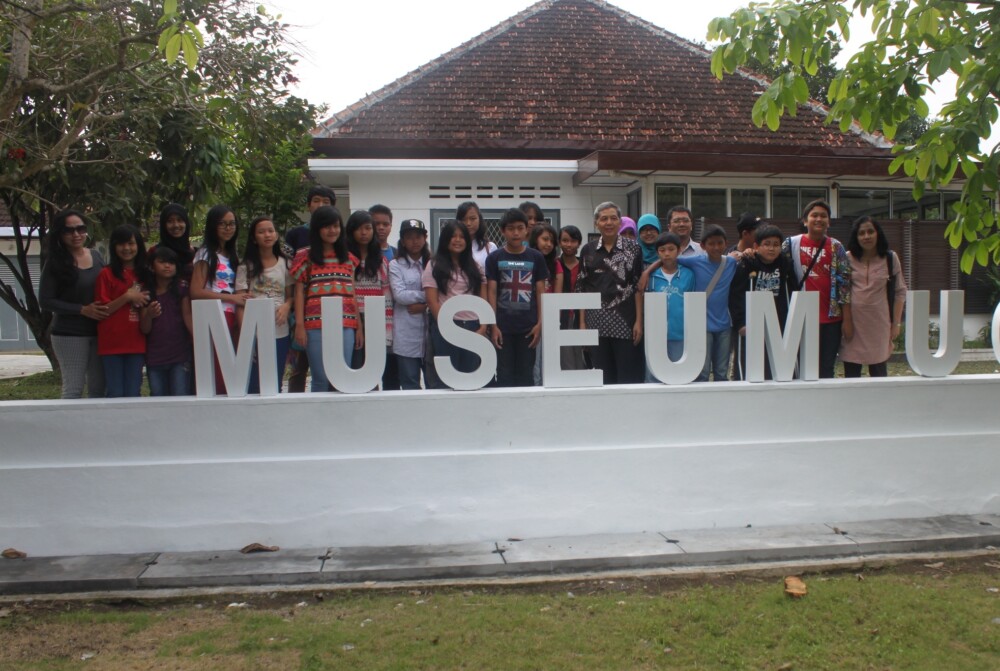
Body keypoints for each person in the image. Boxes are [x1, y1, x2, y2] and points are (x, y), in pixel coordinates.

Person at [39, 209, 108, 399]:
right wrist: (82, 310)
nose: (76, 234)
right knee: (73, 390)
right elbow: (45, 300)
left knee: (99, 390)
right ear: (60, 234)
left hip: (100, 332)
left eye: (80, 228)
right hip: (69, 334)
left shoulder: (97, 256)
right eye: (69, 230)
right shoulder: (54, 262)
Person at [290, 206, 360, 393]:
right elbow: (299, 292)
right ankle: (318, 413)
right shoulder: (305, 257)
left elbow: (351, 292)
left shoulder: (348, 258)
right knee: (320, 379)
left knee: (342, 378)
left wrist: (358, 327)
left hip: (346, 323)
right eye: (327, 226)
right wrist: (299, 326)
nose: (332, 231)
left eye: (336, 226)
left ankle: (339, 413)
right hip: (315, 325)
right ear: (317, 229)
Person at [782, 199, 852, 379]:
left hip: (830, 319)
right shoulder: (790, 244)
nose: (819, 219)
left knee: (826, 368)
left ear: (829, 222)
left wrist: (847, 319)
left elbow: (844, 284)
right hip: (800, 317)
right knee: (799, 368)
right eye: (814, 215)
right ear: (805, 220)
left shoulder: (836, 247)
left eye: (823, 216)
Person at [576, 201, 644, 384]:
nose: (609, 223)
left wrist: (639, 321)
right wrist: (582, 324)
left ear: (620, 222)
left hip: (626, 321)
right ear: (596, 223)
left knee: (628, 378)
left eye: (613, 218)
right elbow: (582, 287)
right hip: (596, 323)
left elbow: (638, 286)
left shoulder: (633, 248)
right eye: (604, 219)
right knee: (602, 379)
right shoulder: (588, 250)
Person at [486, 208, 548, 387]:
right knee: (503, 374)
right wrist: (493, 325)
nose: (516, 233)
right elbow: (491, 292)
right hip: (502, 328)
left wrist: (540, 324)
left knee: (526, 374)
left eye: (520, 228)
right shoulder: (494, 258)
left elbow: (540, 292)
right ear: (502, 231)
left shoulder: (536, 257)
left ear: (527, 230)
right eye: (511, 228)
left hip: (528, 328)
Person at [841, 216, 907, 377]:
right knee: (851, 376)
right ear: (856, 237)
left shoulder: (890, 258)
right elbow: (843, 291)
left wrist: (896, 323)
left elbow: (900, 291)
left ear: (878, 233)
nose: (866, 236)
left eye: (870, 231)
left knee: (879, 375)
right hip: (853, 325)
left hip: (879, 325)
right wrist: (846, 322)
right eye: (861, 233)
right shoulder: (847, 258)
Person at [728, 224, 796, 380]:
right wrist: (740, 323)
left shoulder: (785, 265)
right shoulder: (746, 264)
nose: (771, 249)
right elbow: (736, 295)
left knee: (774, 366)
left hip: (777, 321)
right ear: (756, 246)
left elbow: (793, 290)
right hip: (751, 323)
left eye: (776, 245)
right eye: (767, 244)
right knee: (747, 364)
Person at [423, 222, 487, 384]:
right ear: (445, 239)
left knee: (470, 378)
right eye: (453, 236)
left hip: (472, 326)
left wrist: (484, 326)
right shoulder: (434, 265)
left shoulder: (476, 267)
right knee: (446, 379)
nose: (457, 240)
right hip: (446, 326)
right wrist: (446, 325)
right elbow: (432, 301)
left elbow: (482, 297)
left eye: (462, 237)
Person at [190, 205, 245, 394]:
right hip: (216, 317)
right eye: (222, 224)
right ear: (213, 226)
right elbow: (195, 291)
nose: (228, 228)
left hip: (234, 317)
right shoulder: (206, 254)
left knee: (233, 375)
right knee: (218, 374)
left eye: (232, 224)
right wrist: (232, 298)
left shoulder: (232, 255)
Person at [286, 186, 336, 393]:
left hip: (332, 312)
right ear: (308, 205)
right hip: (300, 310)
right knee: (299, 366)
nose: (321, 205)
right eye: (316, 200)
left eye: (326, 202)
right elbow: (288, 274)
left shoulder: (337, 236)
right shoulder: (296, 235)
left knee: (332, 367)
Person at [236, 216, 292, 393]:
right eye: (261, 232)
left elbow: (291, 296)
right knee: (253, 383)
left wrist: (286, 306)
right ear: (254, 238)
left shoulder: (285, 264)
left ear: (276, 235)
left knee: (275, 381)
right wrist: (245, 335)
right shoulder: (245, 267)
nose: (267, 235)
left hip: (279, 330)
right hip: (254, 332)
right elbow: (240, 302)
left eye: (270, 231)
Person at [676, 225, 738, 382]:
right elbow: (669, 260)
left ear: (726, 243)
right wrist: (647, 273)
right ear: (703, 246)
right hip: (702, 326)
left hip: (725, 325)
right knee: (702, 372)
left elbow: (747, 255)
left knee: (722, 372)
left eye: (719, 243)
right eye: (711, 243)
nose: (716, 247)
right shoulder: (695, 261)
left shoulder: (731, 262)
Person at [95, 224, 151, 397]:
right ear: (114, 246)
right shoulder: (106, 274)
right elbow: (102, 310)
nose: (126, 248)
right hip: (111, 344)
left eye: (131, 243)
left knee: (133, 392)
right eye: (121, 244)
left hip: (136, 343)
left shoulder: (146, 275)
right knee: (115, 392)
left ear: (139, 245)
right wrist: (127, 297)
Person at [345, 209, 392, 376]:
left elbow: (387, 296)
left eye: (367, 228)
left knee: (373, 371)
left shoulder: (380, 261)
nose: (364, 233)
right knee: (355, 367)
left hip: (376, 319)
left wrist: (387, 330)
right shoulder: (346, 260)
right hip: (351, 318)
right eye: (359, 228)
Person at [141, 246, 193, 396]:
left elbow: (187, 316)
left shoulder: (182, 287)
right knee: (158, 400)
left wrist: (197, 339)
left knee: (180, 397)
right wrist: (149, 315)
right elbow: (144, 329)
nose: (167, 266)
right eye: (162, 262)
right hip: (155, 357)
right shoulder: (146, 292)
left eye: (171, 262)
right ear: (152, 266)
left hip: (180, 355)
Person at [646, 232, 696, 380]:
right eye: (662, 250)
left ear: (679, 250)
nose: (667, 253)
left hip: (680, 334)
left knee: (678, 375)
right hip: (655, 335)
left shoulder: (688, 275)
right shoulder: (651, 276)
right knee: (653, 376)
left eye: (671, 249)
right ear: (657, 252)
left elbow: (692, 305)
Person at [389, 219, 431, 389]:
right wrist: (428, 296)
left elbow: (442, 294)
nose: (415, 241)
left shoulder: (433, 263)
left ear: (425, 238)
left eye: (418, 237)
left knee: (434, 384)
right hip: (405, 333)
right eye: (409, 237)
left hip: (429, 334)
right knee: (409, 384)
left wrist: (425, 306)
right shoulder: (395, 265)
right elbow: (400, 295)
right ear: (403, 240)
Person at [529, 223, 559, 385]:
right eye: (545, 239)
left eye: (552, 241)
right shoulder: (528, 259)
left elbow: (557, 295)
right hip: (531, 315)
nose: (548, 244)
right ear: (535, 239)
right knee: (534, 359)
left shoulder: (555, 264)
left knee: (547, 359)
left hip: (549, 317)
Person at [554, 224, 586, 371]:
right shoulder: (555, 265)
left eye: (573, 241)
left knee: (582, 359)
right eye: (565, 240)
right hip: (562, 317)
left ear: (579, 243)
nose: (569, 244)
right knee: (566, 360)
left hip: (581, 317)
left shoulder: (584, 266)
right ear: (559, 242)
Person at [148, 203, 196, 280]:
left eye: (180, 220)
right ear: (163, 225)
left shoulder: (195, 253)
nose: (176, 225)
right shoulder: (154, 252)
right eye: (170, 221)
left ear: (186, 223)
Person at [458, 201, 497, 269]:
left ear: (479, 219)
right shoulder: (453, 246)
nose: (468, 223)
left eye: (472, 219)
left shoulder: (490, 248)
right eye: (464, 219)